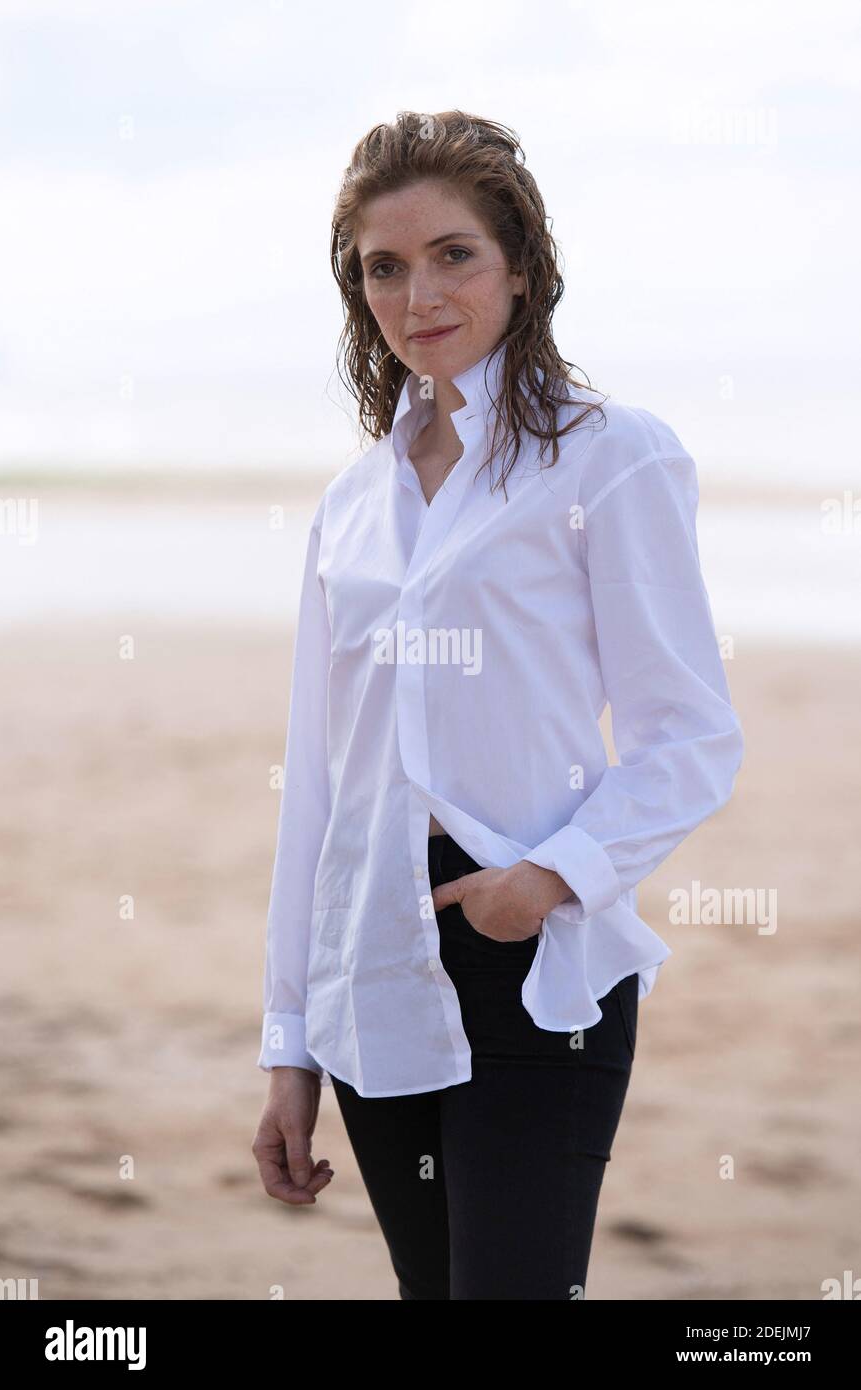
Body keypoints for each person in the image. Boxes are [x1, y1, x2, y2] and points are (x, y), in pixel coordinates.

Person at [251, 110, 744, 1300]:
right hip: (369, 965)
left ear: (520, 266)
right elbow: (317, 784)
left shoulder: (611, 456)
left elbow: (689, 737)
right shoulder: (351, 505)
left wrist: (553, 877)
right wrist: (288, 1047)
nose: (417, 292)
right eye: (383, 265)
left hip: (535, 959)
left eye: (453, 254)